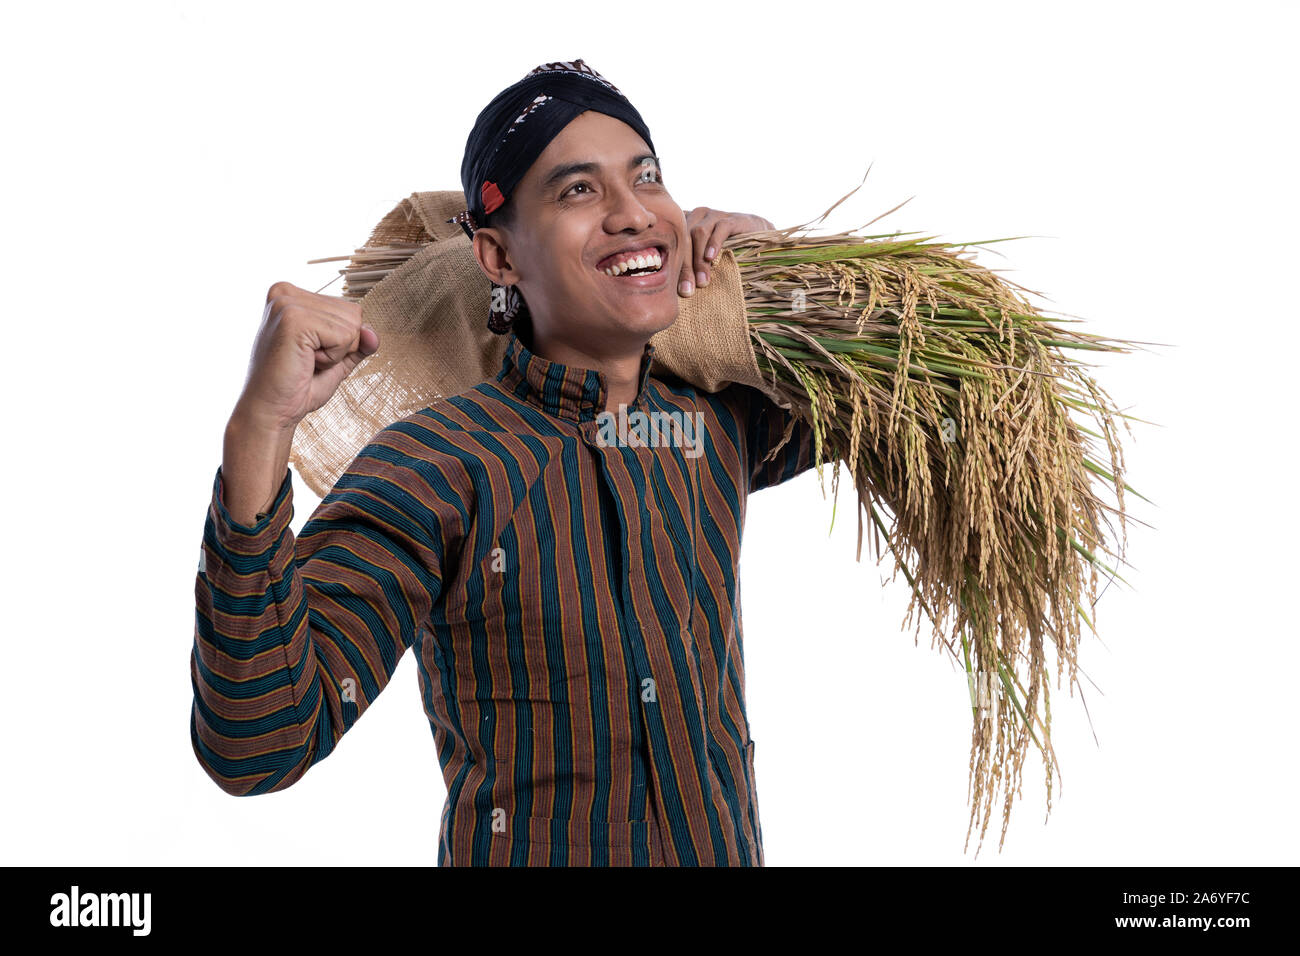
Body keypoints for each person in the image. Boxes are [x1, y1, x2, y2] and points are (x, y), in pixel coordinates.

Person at [191, 58, 833, 866]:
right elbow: (258, 743)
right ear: (497, 259)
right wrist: (259, 429)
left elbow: (913, 407)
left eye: (648, 178)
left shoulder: (710, 425)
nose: (634, 214)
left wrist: (785, 266)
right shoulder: (436, 467)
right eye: (578, 191)